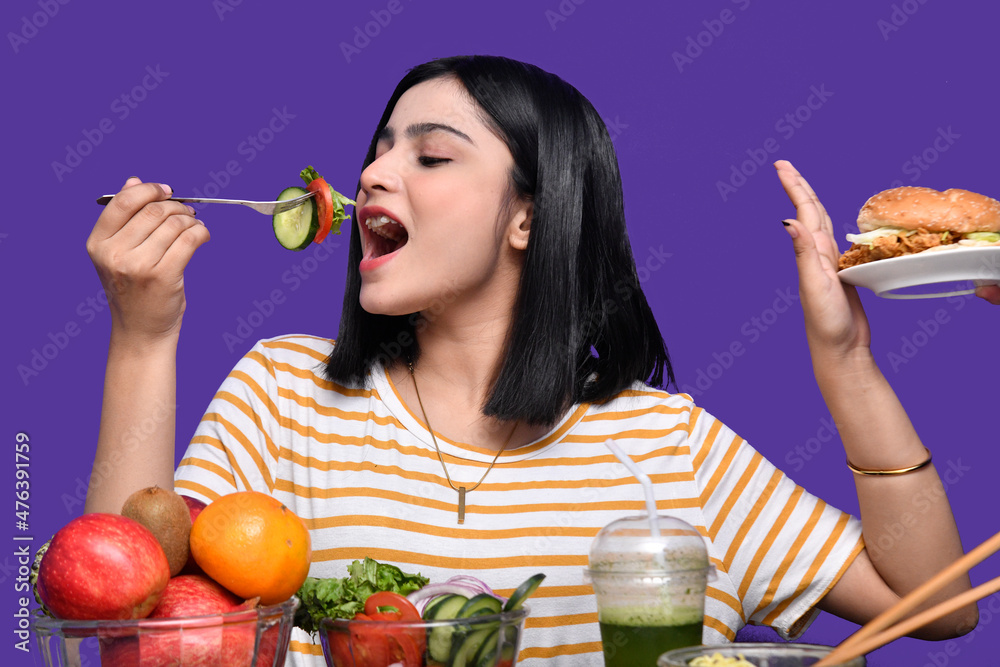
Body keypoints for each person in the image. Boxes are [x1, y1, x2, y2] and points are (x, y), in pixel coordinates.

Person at [84, 55, 979, 665]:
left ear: (530, 217)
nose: (372, 176)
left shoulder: (667, 445)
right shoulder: (283, 393)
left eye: (431, 153)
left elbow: (939, 606)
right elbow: (118, 611)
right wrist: (143, 335)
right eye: (378, 151)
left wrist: (847, 357)